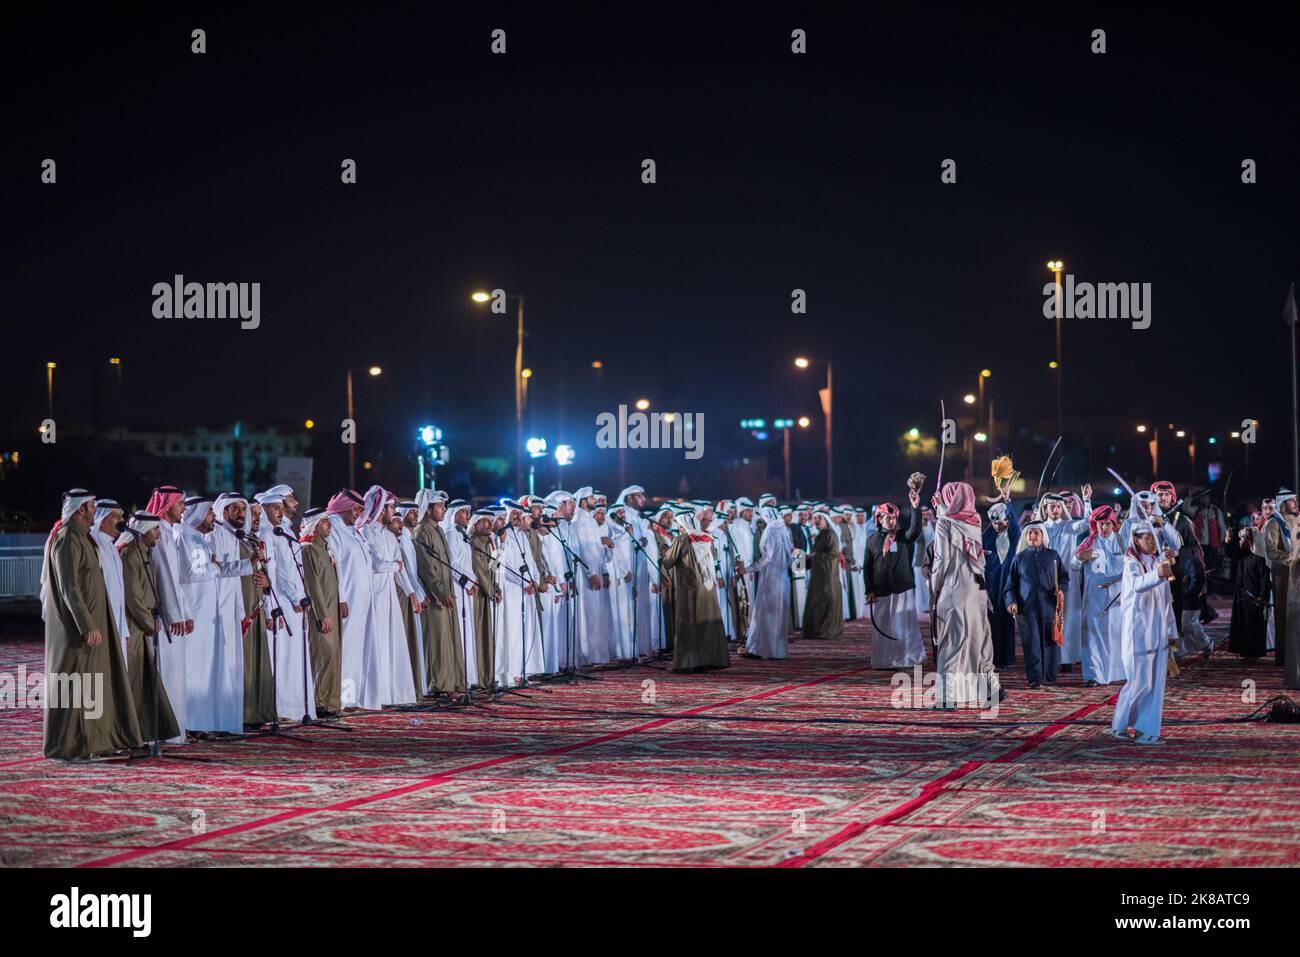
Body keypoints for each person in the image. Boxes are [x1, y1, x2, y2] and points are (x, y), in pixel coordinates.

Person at [42, 490, 144, 759]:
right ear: (80, 510)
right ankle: (69, 746)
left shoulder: (83, 538)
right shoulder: (66, 538)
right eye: (90, 507)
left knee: (91, 687)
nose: (92, 511)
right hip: (77, 631)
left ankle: (92, 743)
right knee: (75, 688)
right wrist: (87, 625)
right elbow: (70, 588)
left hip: (93, 625)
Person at [930, 482, 1001, 708]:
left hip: (955, 586)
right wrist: (942, 506)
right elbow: (956, 522)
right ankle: (990, 688)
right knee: (978, 640)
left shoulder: (944, 523)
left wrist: (934, 585)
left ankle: (947, 697)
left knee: (951, 642)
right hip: (977, 587)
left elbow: (942, 559)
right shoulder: (976, 520)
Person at [116, 512, 181, 742]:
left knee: (145, 684)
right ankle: (128, 735)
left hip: (145, 628)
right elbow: (132, 595)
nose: (158, 533)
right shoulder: (129, 554)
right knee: (133, 683)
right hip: (135, 628)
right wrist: (148, 621)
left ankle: (144, 733)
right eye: (155, 530)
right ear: (143, 531)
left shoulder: (144, 553)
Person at [1110, 522, 1177, 743]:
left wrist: (1171, 630)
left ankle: (1130, 727)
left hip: (1158, 632)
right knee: (1140, 682)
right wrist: (1157, 574)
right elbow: (1138, 585)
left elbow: (1167, 600)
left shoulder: (1158, 561)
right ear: (1136, 540)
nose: (1152, 541)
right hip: (1138, 632)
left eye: (1154, 537)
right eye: (1147, 537)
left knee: (1154, 683)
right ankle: (1139, 729)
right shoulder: (1131, 563)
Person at [255, 489, 316, 720]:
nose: (280, 513)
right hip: (281, 600)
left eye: (281, 508)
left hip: (293, 601)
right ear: (264, 510)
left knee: (293, 657)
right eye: (275, 509)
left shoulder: (282, 531)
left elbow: (293, 568)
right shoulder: (266, 534)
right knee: (281, 658)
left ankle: (295, 707)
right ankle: (281, 708)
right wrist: (295, 596)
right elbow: (281, 572)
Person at [355, 486, 418, 706]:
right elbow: (376, 565)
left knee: (391, 644)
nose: (393, 511)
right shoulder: (365, 530)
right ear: (382, 509)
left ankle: (390, 694)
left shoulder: (389, 536)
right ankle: (373, 695)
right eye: (391, 507)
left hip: (389, 597)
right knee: (376, 645)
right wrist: (394, 565)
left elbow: (398, 568)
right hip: (373, 597)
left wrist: (411, 593)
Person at [325, 488, 383, 710]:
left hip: (363, 601)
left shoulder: (352, 530)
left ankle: (357, 696)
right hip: (347, 600)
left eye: (360, 510)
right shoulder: (333, 530)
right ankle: (343, 697)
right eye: (356, 509)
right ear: (345, 508)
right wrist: (341, 597)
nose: (358, 514)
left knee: (360, 649)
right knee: (347, 649)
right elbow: (334, 566)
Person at [145, 485, 194, 741]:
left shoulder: (168, 532)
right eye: (180, 504)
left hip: (173, 616)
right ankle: (167, 732)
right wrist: (176, 616)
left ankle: (177, 729)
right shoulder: (159, 534)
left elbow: (178, 580)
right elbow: (164, 578)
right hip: (164, 620)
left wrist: (185, 612)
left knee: (177, 676)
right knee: (168, 674)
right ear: (167, 506)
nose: (183, 509)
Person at [659, 505, 730, 672]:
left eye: (678, 523)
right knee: (707, 625)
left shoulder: (683, 538)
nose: (677, 526)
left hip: (689, 590)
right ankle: (710, 660)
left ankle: (687, 663)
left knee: (688, 625)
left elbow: (668, 561)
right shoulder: (707, 537)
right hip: (708, 589)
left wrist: (665, 552)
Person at [863, 489, 927, 669]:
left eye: (893, 518)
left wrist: (915, 507)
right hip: (881, 590)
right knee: (882, 626)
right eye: (887, 518)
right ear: (879, 519)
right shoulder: (871, 541)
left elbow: (915, 530)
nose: (891, 521)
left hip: (902, 588)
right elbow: (867, 567)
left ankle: (905, 659)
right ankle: (882, 661)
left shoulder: (902, 537)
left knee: (902, 625)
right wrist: (869, 590)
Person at [412, 489, 466, 694]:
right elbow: (426, 567)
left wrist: (448, 591)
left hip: (445, 595)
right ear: (428, 510)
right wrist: (442, 592)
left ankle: (451, 683)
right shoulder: (421, 531)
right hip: (434, 597)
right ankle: (437, 685)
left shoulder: (438, 529)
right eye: (440, 507)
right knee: (437, 642)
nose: (444, 510)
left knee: (448, 641)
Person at [1004, 520, 1067, 688]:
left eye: (1036, 533)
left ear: (1042, 536)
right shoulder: (1019, 559)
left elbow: (1064, 578)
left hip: (1050, 607)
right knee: (1031, 643)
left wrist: (1060, 589)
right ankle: (1035, 678)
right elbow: (1010, 587)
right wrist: (1011, 602)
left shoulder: (1053, 555)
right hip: (1027, 609)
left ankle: (1049, 675)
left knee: (1050, 643)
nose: (1032, 536)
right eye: (1029, 533)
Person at [299, 508, 344, 714]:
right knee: (323, 656)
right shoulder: (308, 548)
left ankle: (332, 702)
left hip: (332, 610)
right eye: (325, 522)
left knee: (333, 655)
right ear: (315, 526)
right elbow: (312, 585)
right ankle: (320, 702)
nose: (330, 525)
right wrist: (322, 613)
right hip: (321, 612)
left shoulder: (326, 547)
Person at [1075, 505, 1126, 685]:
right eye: (1100, 524)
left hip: (1118, 597)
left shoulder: (1122, 541)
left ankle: (1118, 673)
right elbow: (1073, 565)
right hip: (1094, 597)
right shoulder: (1088, 541)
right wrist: (1082, 557)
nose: (1104, 528)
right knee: (1093, 637)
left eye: (1107, 524)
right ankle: (1094, 676)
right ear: (1094, 525)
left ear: (1113, 524)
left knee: (1117, 634)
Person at [238, 501, 277, 727]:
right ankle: (243, 714)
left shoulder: (255, 542)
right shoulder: (235, 540)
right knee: (245, 664)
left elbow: (264, 574)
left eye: (256, 515)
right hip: (242, 609)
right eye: (251, 514)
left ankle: (258, 713)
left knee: (259, 663)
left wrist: (267, 580)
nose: (255, 518)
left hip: (258, 606)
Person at [742, 505, 793, 659]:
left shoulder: (770, 530)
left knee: (763, 613)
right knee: (777, 613)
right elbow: (790, 556)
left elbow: (767, 558)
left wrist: (748, 569)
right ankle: (777, 651)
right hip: (782, 578)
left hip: (770, 577)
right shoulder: (783, 529)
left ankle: (759, 650)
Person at [982, 495, 1020, 670]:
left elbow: (1015, 526)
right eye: (995, 523)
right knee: (991, 623)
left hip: (1009, 586)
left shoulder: (1014, 535)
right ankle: (992, 658)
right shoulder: (987, 537)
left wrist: (1008, 502)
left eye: (1001, 522)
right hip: (991, 587)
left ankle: (1006, 659)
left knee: (1007, 623)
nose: (998, 526)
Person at [1225, 519, 1271, 658]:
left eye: (1242, 539)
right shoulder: (1242, 556)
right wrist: (1227, 540)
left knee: (1252, 624)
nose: (1240, 542)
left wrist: (1261, 597)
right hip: (1241, 594)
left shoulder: (1260, 559)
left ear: (1251, 541)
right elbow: (1231, 553)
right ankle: (1244, 650)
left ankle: (1254, 652)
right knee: (1242, 623)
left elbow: (1264, 580)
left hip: (1254, 597)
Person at [801, 507, 844, 639]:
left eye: (820, 518)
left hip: (828, 575)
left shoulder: (830, 534)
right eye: (816, 518)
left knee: (827, 601)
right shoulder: (822, 534)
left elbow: (833, 553)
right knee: (817, 603)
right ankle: (816, 631)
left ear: (826, 520)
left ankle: (826, 631)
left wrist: (815, 555)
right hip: (819, 574)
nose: (817, 520)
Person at [469, 509, 501, 683]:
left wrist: (496, 588)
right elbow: (479, 569)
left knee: (487, 635)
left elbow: (493, 568)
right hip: (478, 595)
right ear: (475, 524)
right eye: (485, 521)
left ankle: (488, 676)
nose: (490, 524)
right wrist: (491, 591)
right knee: (479, 635)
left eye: (491, 521)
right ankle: (480, 677)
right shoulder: (473, 541)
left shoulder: (489, 543)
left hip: (487, 592)